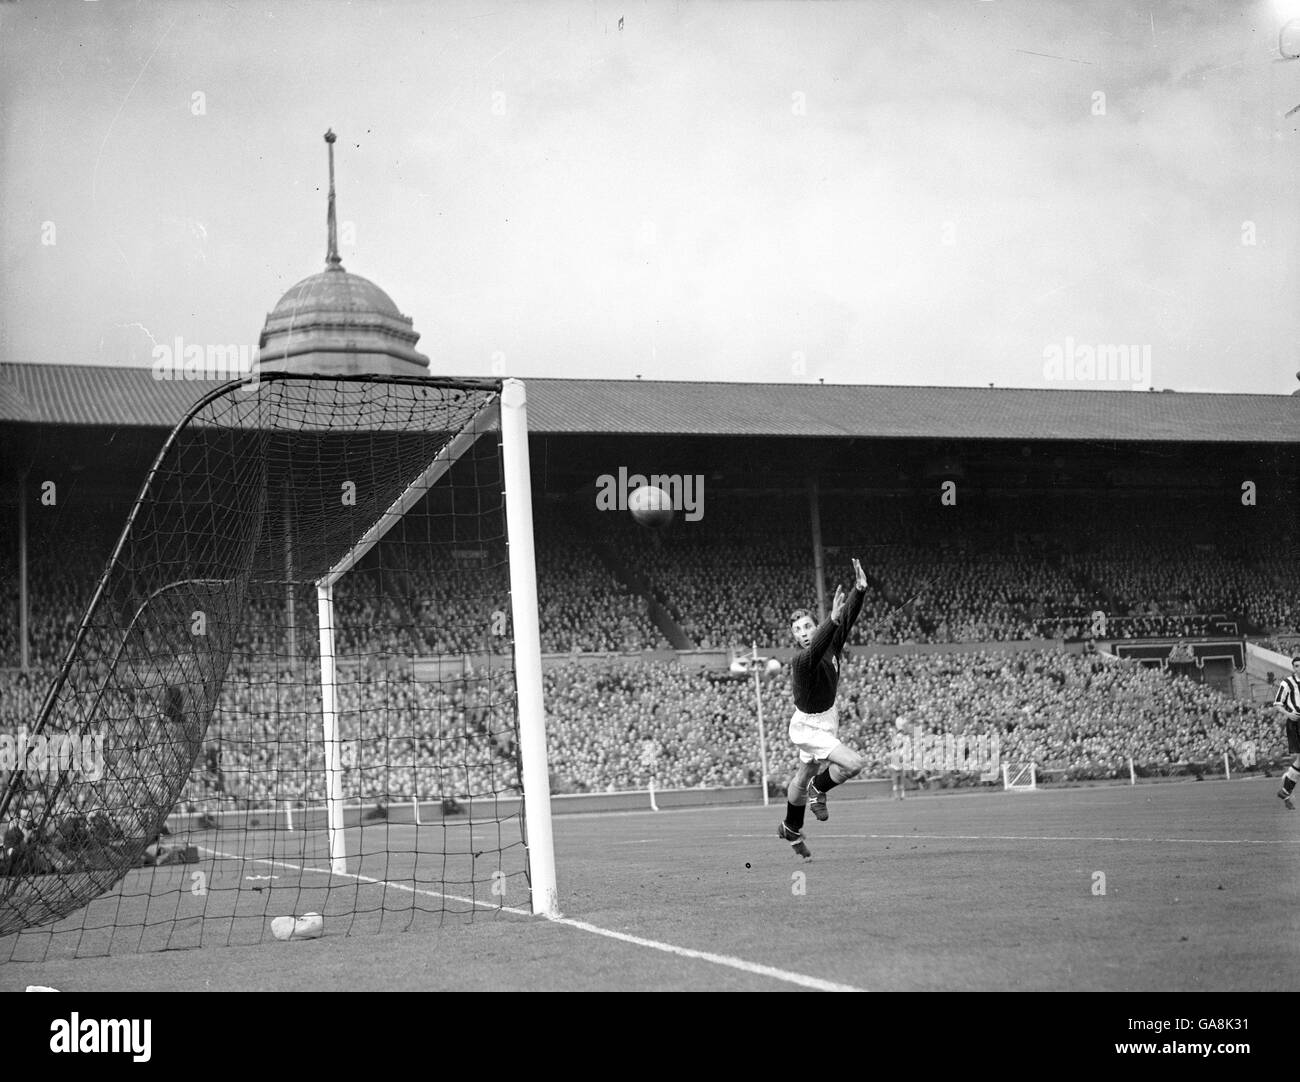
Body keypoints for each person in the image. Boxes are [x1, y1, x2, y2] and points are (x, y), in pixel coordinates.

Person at [777, 558, 868, 859]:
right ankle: (820, 787)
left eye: (807, 626)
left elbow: (848, 618)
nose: (803, 632)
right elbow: (817, 646)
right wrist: (832, 620)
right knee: (853, 764)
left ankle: (791, 826)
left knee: (802, 775)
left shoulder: (831, 645)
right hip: (807, 725)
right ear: (794, 637)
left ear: (815, 626)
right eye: (798, 630)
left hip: (827, 717)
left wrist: (860, 590)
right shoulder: (801, 661)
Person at [1272, 655, 1300, 810]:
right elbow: (1277, 703)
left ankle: (1286, 789)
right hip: (1296, 722)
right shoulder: (1287, 683)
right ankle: (1286, 788)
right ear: (1293, 668)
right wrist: (1288, 714)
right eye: (1296, 666)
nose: (1299, 668)